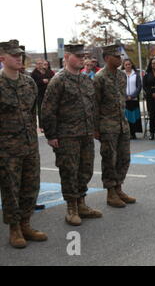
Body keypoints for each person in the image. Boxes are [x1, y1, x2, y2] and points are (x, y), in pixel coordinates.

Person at [41, 44, 102, 226]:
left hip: (85, 134)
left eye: (83, 55)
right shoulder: (58, 80)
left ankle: (82, 203)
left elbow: (92, 107)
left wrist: (94, 129)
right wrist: (51, 136)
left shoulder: (85, 80)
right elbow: (47, 110)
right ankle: (71, 208)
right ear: (67, 57)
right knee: (69, 172)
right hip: (67, 136)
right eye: (77, 56)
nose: (82, 58)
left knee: (86, 169)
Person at [0, 40, 47, 248]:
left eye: (20, 55)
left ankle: (26, 223)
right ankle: (14, 229)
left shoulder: (29, 83)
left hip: (29, 146)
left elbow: (32, 114)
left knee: (31, 186)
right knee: (11, 189)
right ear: (2, 59)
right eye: (13, 55)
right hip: (7, 149)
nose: (19, 58)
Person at [94, 45, 136, 208]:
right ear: (107, 58)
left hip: (122, 124)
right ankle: (110, 192)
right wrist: (95, 128)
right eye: (116, 57)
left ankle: (119, 188)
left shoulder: (121, 76)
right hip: (107, 125)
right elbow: (95, 104)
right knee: (109, 159)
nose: (120, 59)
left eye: (120, 56)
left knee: (124, 157)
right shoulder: (99, 77)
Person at [31, 58, 54, 130]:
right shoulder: (34, 73)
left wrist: (48, 80)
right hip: (39, 94)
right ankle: (41, 126)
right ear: (36, 65)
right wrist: (42, 81)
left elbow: (53, 79)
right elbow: (32, 83)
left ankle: (49, 124)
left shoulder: (47, 71)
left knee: (49, 109)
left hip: (48, 93)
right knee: (41, 110)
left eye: (41, 63)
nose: (40, 65)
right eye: (38, 64)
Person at [123, 59, 143, 140]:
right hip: (124, 99)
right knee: (126, 116)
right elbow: (119, 86)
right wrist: (125, 96)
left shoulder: (136, 74)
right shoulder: (121, 74)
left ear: (131, 65)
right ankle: (127, 133)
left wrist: (133, 95)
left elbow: (139, 86)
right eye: (126, 64)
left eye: (129, 64)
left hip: (134, 99)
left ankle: (133, 133)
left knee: (134, 116)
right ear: (124, 66)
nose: (128, 66)